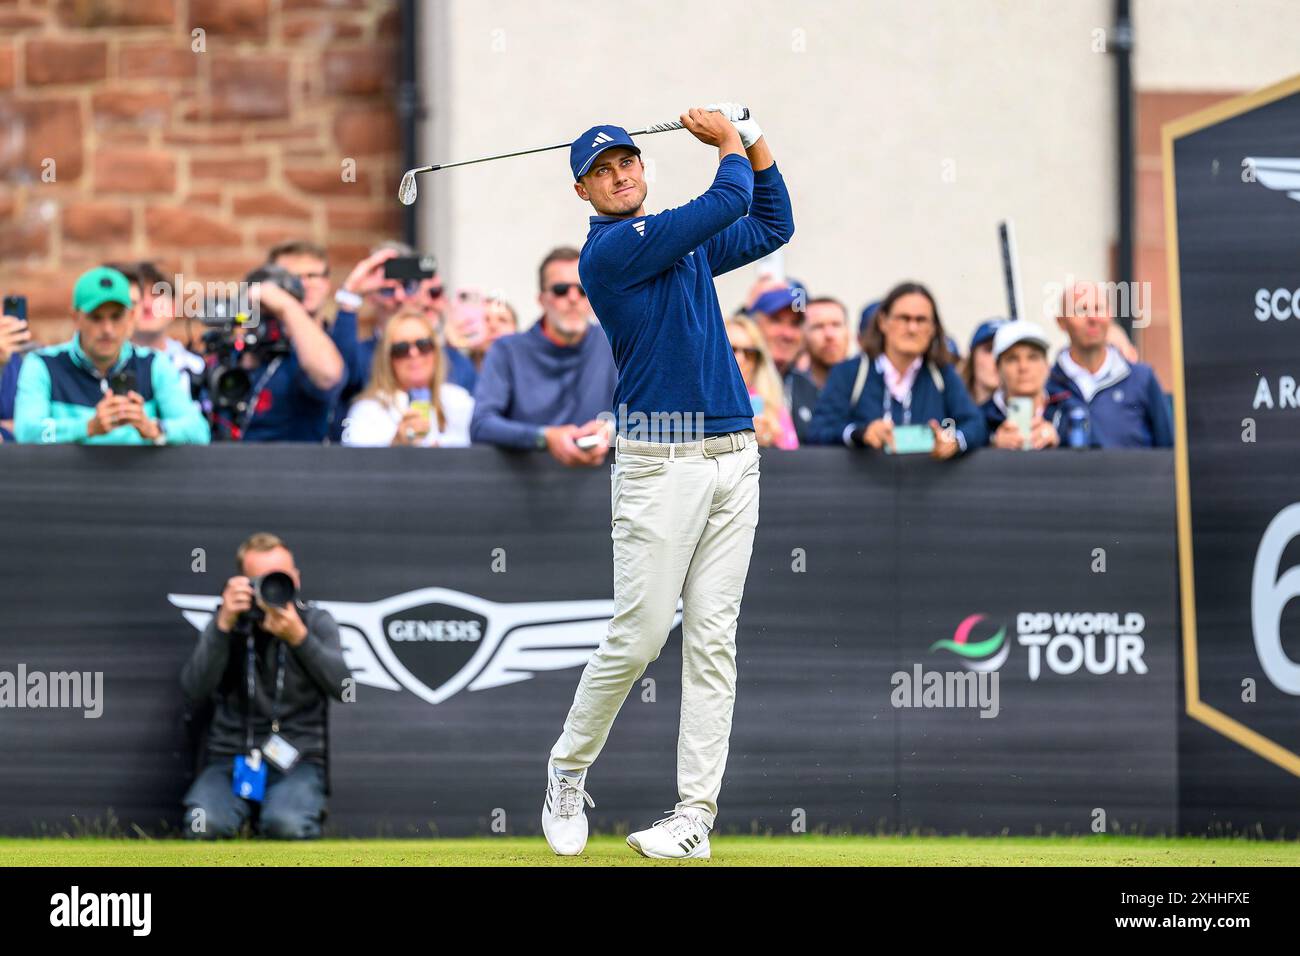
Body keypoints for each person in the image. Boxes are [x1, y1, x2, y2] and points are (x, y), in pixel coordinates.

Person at [543, 102, 793, 861]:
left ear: (642, 169)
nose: (619, 176)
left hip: (735, 455)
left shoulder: (679, 250)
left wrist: (751, 138)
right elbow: (724, 201)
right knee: (642, 634)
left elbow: (772, 223)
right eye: (601, 172)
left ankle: (693, 817)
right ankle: (567, 769)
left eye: (626, 163)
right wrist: (723, 143)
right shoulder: (613, 252)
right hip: (661, 461)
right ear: (584, 194)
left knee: (714, 642)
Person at [180, 534, 351, 840]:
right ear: (244, 585)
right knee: (203, 823)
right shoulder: (226, 623)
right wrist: (223, 626)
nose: (272, 588)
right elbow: (194, 689)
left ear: (296, 579)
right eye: (262, 580)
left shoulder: (315, 622)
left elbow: (345, 688)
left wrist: (299, 639)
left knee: (288, 825)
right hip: (230, 758)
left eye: (280, 578)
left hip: (297, 760)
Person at [13, 266, 209, 445]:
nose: (107, 329)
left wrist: (154, 429)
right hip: (69, 481)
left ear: (131, 317)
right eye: (96, 317)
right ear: (76, 318)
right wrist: (88, 427)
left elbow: (199, 433)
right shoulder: (43, 364)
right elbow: (26, 431)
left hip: (139, 481)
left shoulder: (154, 363)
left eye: (116, 317)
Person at [469, 247, 618, 466]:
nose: (573, 298)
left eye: (583, 289)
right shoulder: (507, 351)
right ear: (541, 299)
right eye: (560, 290)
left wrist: (610, 430)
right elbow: (482, 425)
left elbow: (650, 413)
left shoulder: (615, 344)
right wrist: (544, 437)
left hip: (602, 488)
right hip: (526, 491)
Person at [806, 280, 985, 455]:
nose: (912, 328)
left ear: (932, 328)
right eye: (904, 318)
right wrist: (861, 433)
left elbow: (976, 424)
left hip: (927, 482)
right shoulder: (850, 373)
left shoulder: (943, 375)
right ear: (883, 322)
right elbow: (819, 430)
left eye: (921, 320)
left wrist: (954, 440)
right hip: (864, 483)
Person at [329, 243, 477, 441]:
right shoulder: (359, 355)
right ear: (371, 297)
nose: (399, 296)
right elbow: (332, 374)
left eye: (407, 286)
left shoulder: (452, 360)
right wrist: (351, 293)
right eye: (387, 290)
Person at [204, 265, 344, 443]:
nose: (264, 319)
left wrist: (286, 306)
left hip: (286, 467)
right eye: (256, 309)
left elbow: (328, 375)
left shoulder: (300, 361)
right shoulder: (228, 358)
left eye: (273, 312)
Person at [1048, 281, 1173, 448]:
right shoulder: (1046, 384)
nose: (1092, 318)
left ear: (1110, 315)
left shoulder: (1141, 379)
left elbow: (1170, 451)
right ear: (1061, 322)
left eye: (1099, 309)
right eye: (1081, 310)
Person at [341, 306, 473, 447]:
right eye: (401, 349)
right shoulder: (366, 411)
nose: (413, 353)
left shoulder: (459, 401)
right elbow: (354, 464)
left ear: (436, 350)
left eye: (423, 345)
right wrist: (396, 445)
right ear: (387, 358)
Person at [106, 260, 206, 395]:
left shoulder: (197, 368)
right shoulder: (103, 365)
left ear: (173, 307)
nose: (147, 305)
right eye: (139, 297)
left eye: (156, 294)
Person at [982, 320, 1081, 450]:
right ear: (997, 368)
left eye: (1033, 357)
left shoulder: (1071, 410)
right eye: (1012, 358)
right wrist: (992, 445)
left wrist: (1059, 441)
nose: (1023, 367)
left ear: (1047, 365)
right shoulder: (980, 418)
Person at [749, 283, 820, 442]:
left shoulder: (807, 387)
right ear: (753, 325)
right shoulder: (734, 383)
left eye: (795, 324)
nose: (787, 334)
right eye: (776, 320)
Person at [727, 314, 798, 449]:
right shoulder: (699, 403)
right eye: (731, 350)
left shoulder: (772, 404)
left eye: (749, 353)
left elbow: (792, 457)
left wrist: (769, 438)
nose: (740, 359)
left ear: (758, 360)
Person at [800, 296, 852, 390]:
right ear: (803, 336)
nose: (829, 335)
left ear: (848, 333)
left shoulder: (869, 387)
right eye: (818, 326)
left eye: (836, 325)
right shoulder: (789, 391)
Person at [960, 318, 1006, 407]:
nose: (997, 359)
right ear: (972, 358)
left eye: (1004, 351)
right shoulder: (950, 411)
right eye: (989, 349)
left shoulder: (1035, 415)